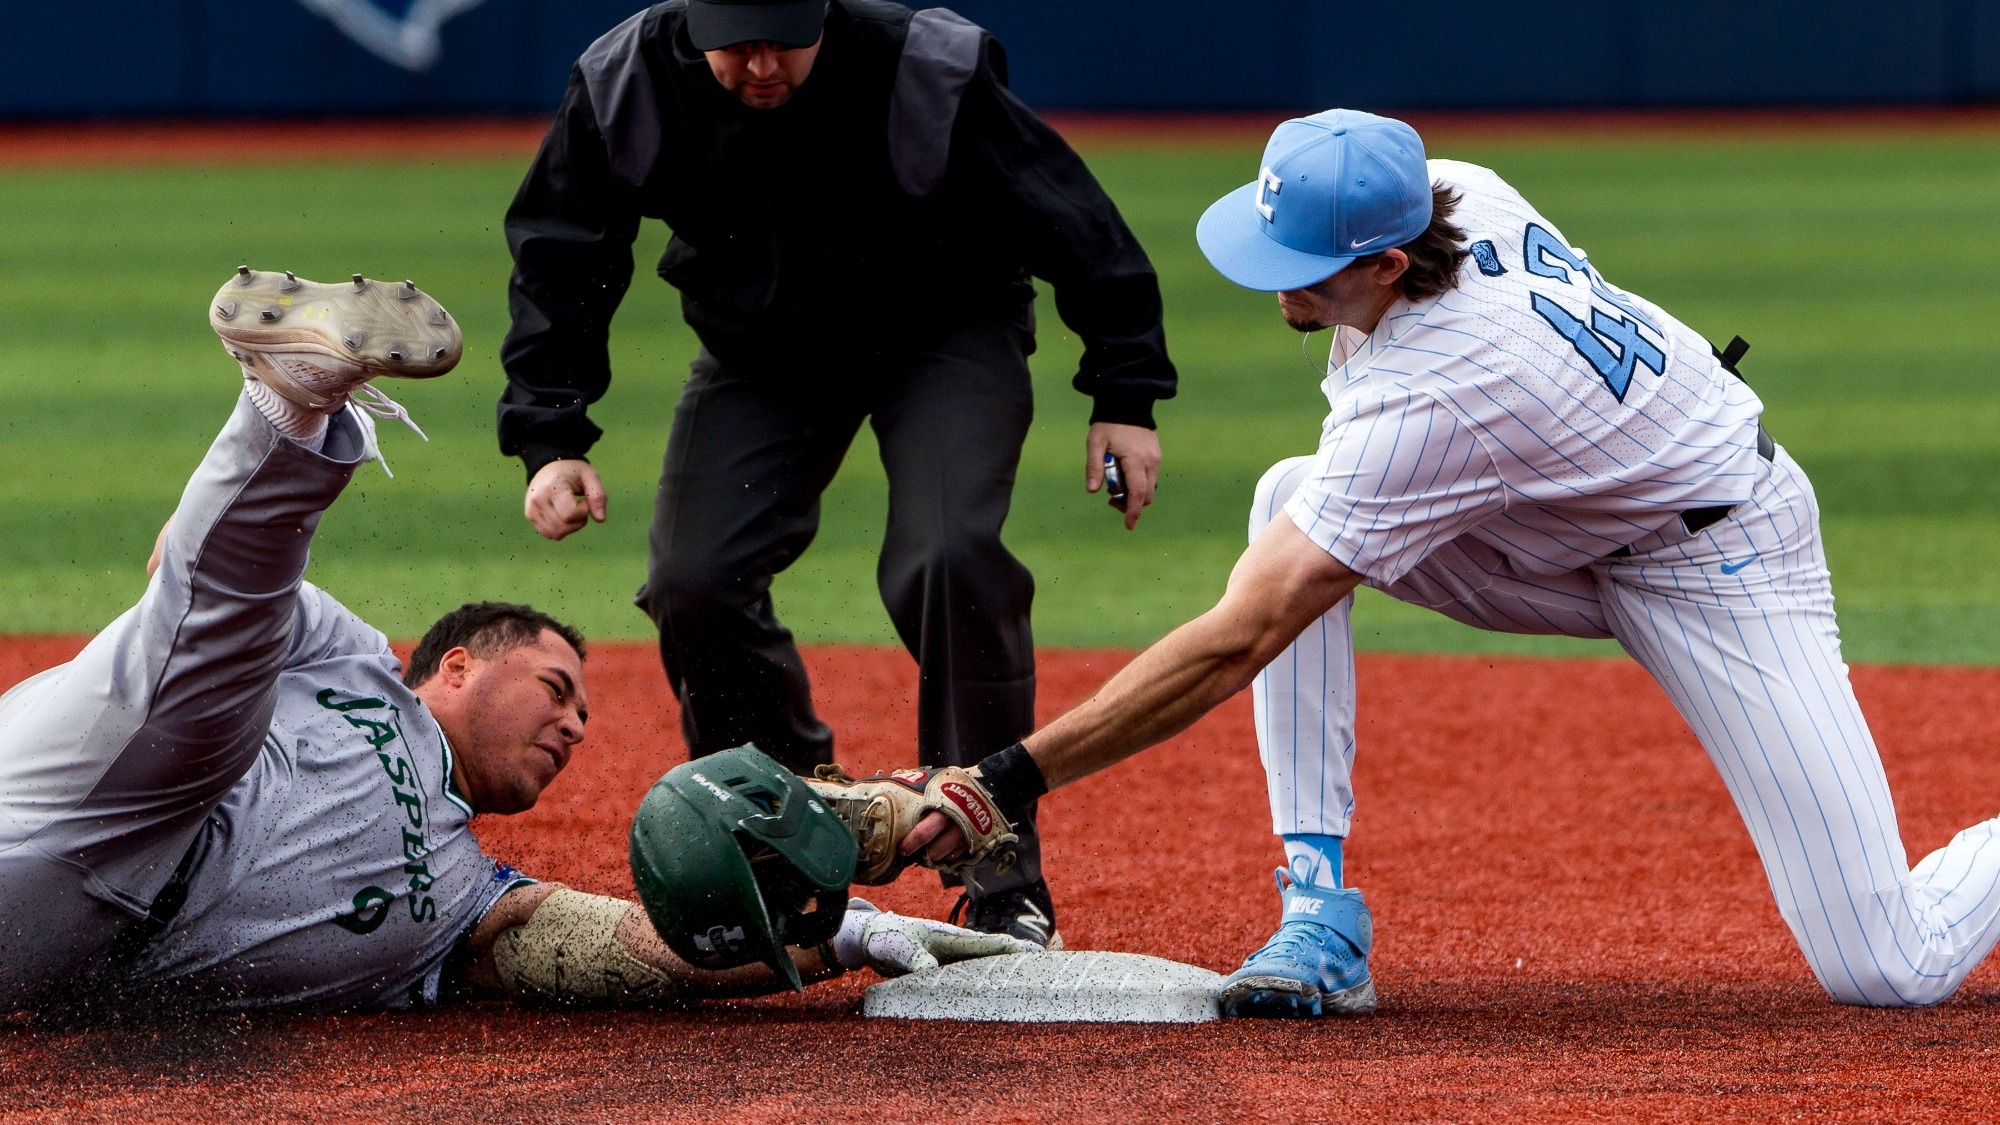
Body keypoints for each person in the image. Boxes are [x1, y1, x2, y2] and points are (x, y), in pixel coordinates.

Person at [903, 109, 2000, 1017]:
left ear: (1386, 262)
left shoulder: (1437, 391)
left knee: (1883, 966)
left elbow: (1236, 639)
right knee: (1297, 499)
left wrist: (1000, 782)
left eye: (1308, 276)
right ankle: (1316, 909)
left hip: (1722, 557)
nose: (1278, 293)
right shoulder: (1445, 187)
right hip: (1558, 518)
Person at [0, 270, 1031, 1019]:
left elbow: (632, 951)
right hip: (112, 780)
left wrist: (842, 926)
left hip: (60, 941)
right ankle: (293, 396)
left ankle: (294, 408)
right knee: (198, 715)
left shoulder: (465, 899)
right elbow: (196, 590)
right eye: (556, 686)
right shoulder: (351, 659)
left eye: (580, 711)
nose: (576, 724)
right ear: (458, 664)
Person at [498, 0, 1181, 948]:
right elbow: (563, 252)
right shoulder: (628, 83)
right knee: (694, 582)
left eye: (785, 37)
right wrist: (552, 433)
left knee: (948, 557)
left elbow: (1070, 216)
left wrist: (1125, 393)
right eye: (734, 45)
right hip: (761, 357)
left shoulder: (923, 69)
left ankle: (996, 866)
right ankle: (790, 833)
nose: (762, 63)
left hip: (947, 329)